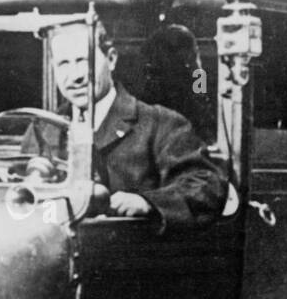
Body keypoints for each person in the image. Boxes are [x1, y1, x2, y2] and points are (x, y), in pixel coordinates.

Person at [25, 21, 227, 233]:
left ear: (111, 59)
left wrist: (148, 203)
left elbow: (207, 186)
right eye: (63, 63)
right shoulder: (42, 128)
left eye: (83, 60)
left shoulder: (161, 123)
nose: (74, 76)